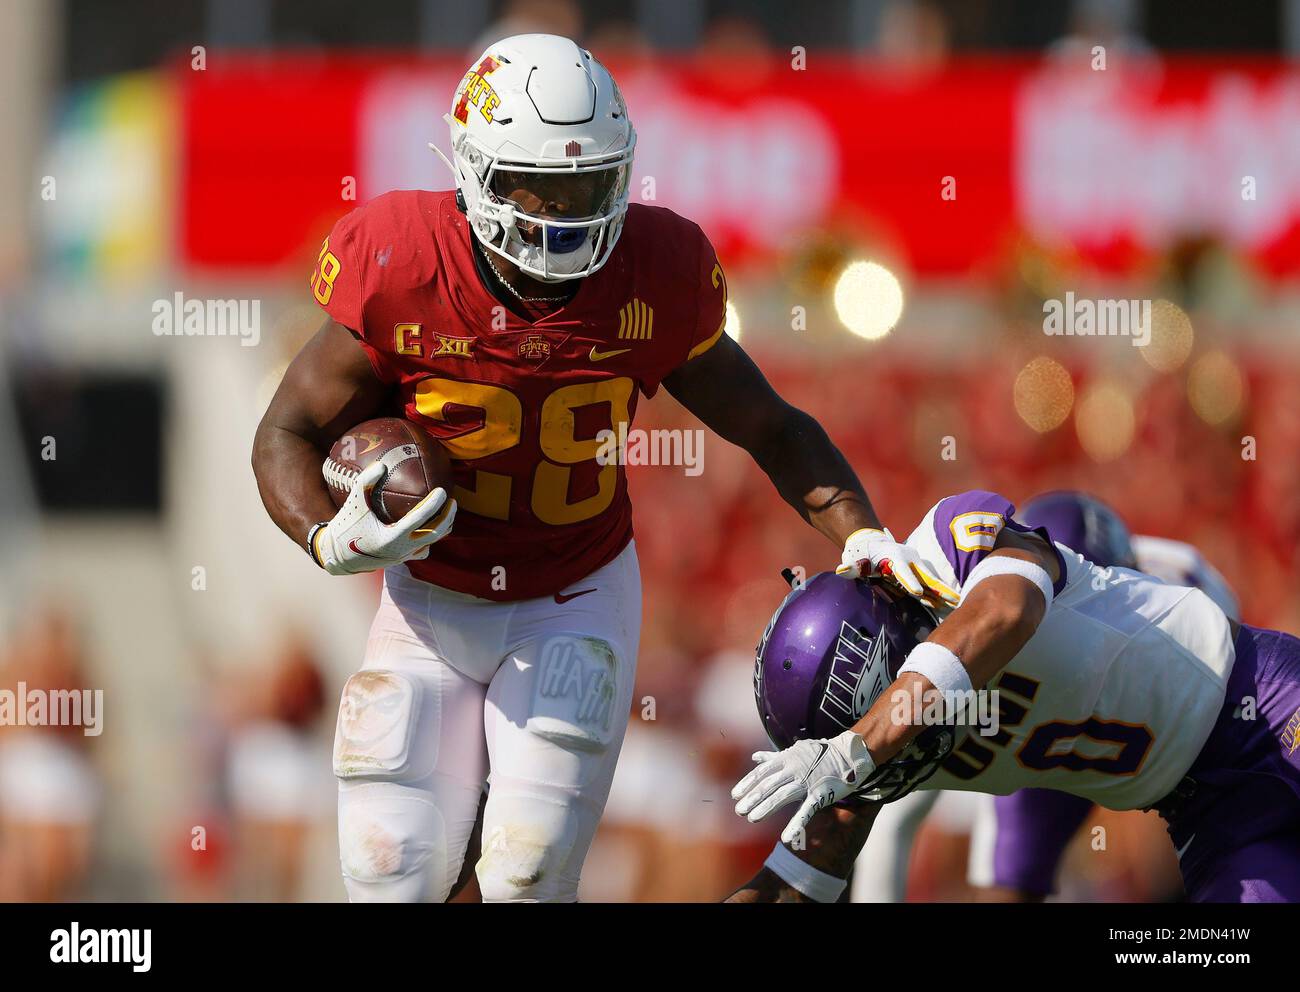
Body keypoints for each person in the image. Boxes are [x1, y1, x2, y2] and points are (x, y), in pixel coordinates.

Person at [252, 33, 939, 903]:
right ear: (474, 170)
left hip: (570, 595)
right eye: (541, 184)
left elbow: (769, 424)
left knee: (523, 877)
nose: (568, 208)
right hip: (429, 600)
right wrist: (326, 536)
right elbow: (284, 434)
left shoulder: (655, 271)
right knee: (390, 870)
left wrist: (864, 533)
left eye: (589, 180)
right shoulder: (401, 261)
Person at [731, 489, 1300, 903]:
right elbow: (795, 885)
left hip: (1267, 704)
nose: (894, 757)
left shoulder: (945, 557)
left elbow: (1007, 610)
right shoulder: (876, 750)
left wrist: (860, 746)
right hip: (1208, 817)